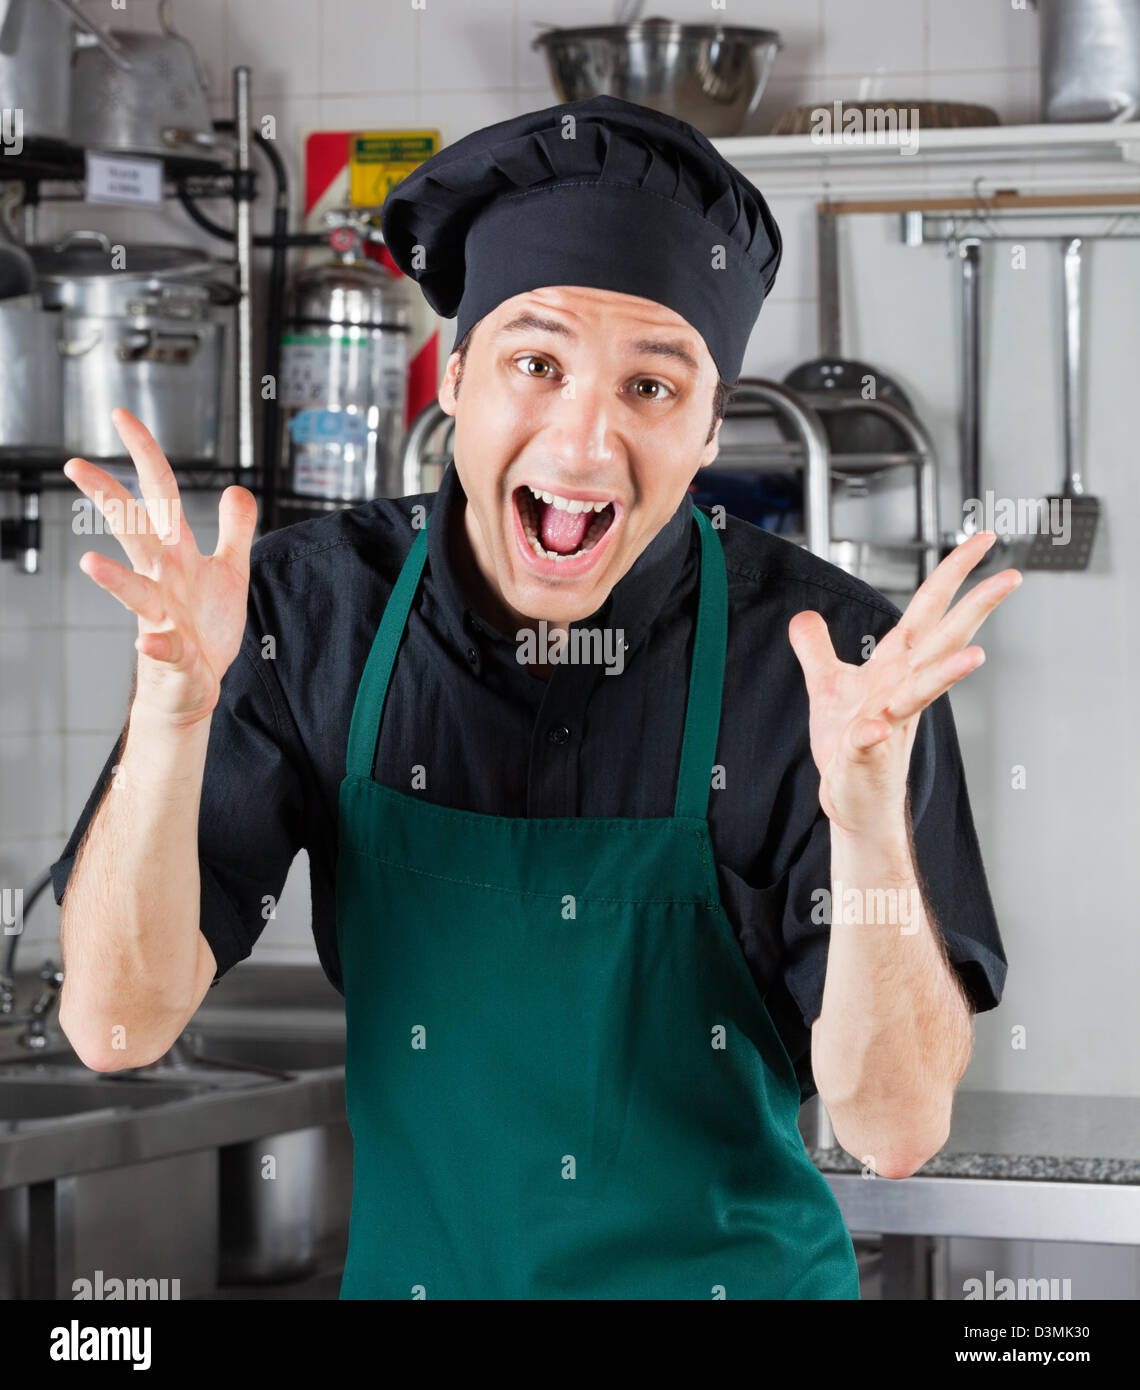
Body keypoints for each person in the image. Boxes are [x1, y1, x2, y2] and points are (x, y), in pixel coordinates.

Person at [51, 96, 1016, 1300]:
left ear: (712, 423)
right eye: (536, 363)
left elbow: (895, 1127)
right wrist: (172, 719)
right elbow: (117, 1026)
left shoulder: (832, 663)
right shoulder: (304, 614)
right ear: (454, 375)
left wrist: (870, 818)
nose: (582, 439)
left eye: (651, 389)